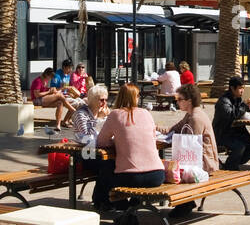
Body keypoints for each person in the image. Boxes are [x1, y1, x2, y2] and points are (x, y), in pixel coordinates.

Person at [92, 84, 165, 213]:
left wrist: (118, 142)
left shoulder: (115, 115)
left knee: (106, 170)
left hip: (131, 176)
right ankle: (132, 206)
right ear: (135, 98)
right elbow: (152, 138)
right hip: (157, 175)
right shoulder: (146, 113)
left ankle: (122, 207)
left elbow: (101, 142)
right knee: (116, 173)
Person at [169, 83, 220, 174]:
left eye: (180, 99)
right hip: (196, 162)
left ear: (189, 101)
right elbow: (174, 129)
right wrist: (154, 128)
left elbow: (190, 145)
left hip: (204, 165)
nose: (177, 102)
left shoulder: (196, 118)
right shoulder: (190, 114)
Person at [212, 76, 250, 170]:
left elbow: (245, 113)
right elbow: (232, 115)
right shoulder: (223, 101)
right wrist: (245, 105)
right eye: (240, 88)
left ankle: (233, 163)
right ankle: (231, 166)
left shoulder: (238, 99)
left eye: (243, 88)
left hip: (236, 133)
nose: (242, 91)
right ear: (232, 88)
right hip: (222, 134)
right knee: (240, 146)